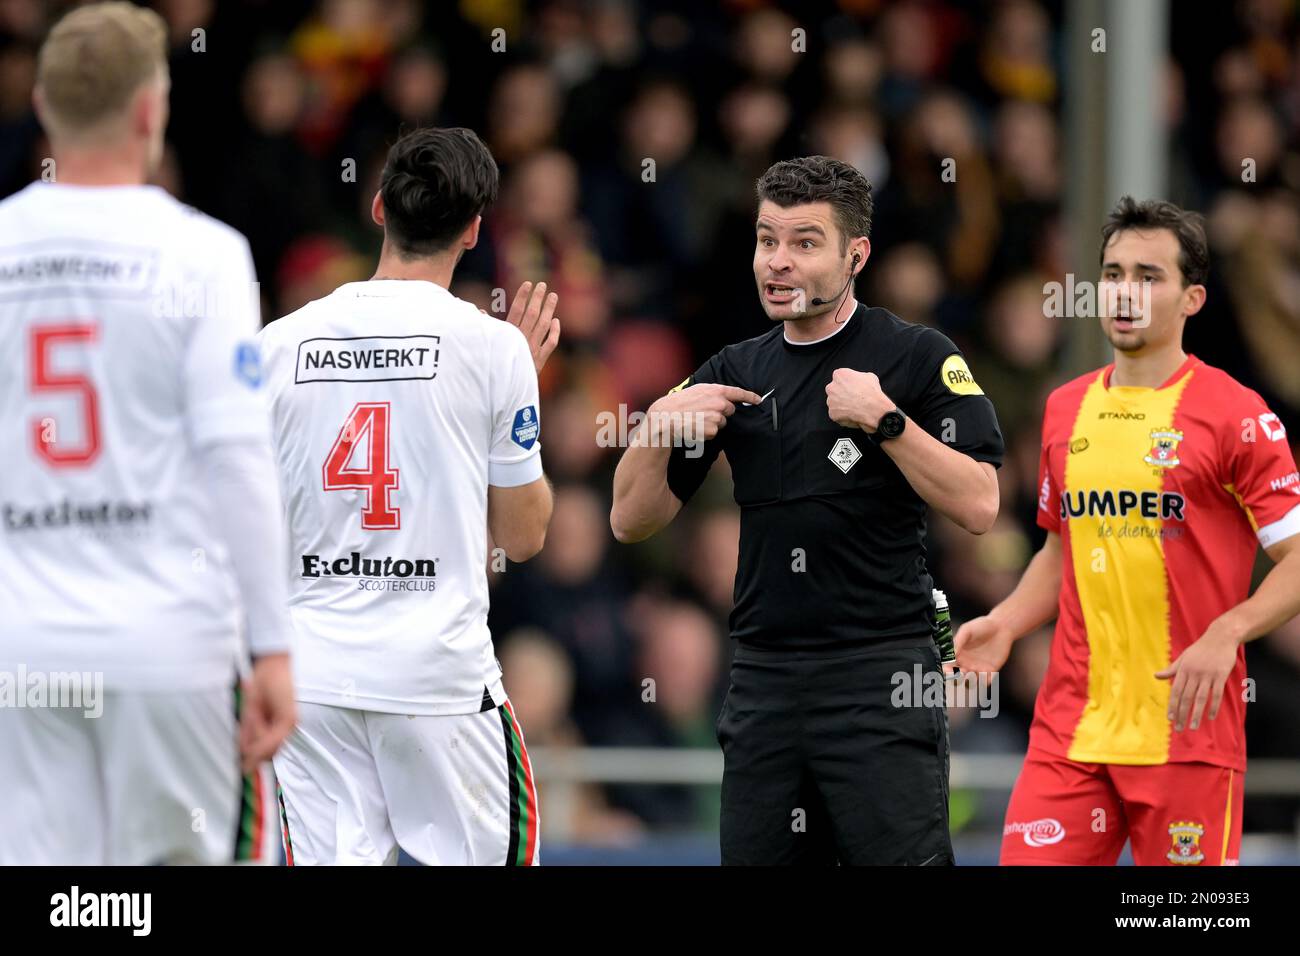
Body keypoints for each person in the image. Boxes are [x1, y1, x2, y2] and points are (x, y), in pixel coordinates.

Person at [610, 155, 1004, 865]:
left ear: (857, 254)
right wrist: (654, 430)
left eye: (804, 243)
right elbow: (631, 521)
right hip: (763, 684)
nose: (778, 263)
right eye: (767, 241)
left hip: (880, 679)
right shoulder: (733, 370)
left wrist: (886, 423)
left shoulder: (915, 356)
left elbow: (980, 503)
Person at [0, 2, 296, 865]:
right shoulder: (201, 253)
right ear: (148, 110)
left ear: (48, 109)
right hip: (167, 644)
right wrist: (272, 645)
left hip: (22, 647)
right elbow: (236, 457)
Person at [956, 197, 1300, 866]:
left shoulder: (1238, 415)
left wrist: (1229, 631)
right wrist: (1006, 621)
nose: (1125, 291)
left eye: (1149, 276)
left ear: (1191, 298)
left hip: (1187, 733)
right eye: (1113, 273)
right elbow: (1064, 549)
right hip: (1071, 733)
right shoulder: (1064, 408)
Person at [258, 126, 559, 865]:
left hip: (315, 679)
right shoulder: (494, 349)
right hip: (437, 681)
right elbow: (522, 538)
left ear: (379, 207)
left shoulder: (278, 344)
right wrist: (513, 400)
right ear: (474, 229)